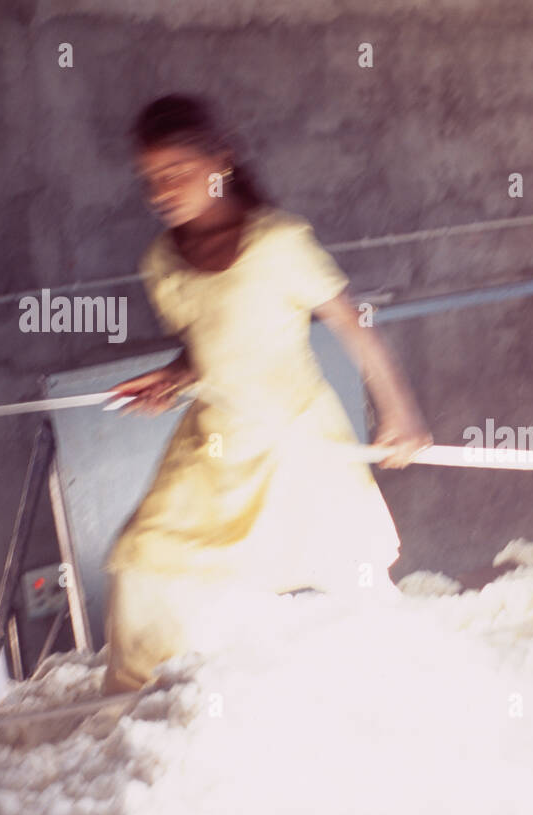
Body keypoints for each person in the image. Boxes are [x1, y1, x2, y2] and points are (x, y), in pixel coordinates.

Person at [100, 94, 431, 695]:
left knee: (351, 568)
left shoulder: (277, 242)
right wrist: (175, 376)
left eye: (176, 173)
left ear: (220, 161)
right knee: (145, 560)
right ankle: (123, 706)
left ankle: (413, 680)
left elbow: (352, 324)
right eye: (151, 181)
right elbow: (206, 345)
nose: (163, 192)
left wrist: (400, 411)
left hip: (298, 436)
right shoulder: (161, 261)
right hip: (214, 445)